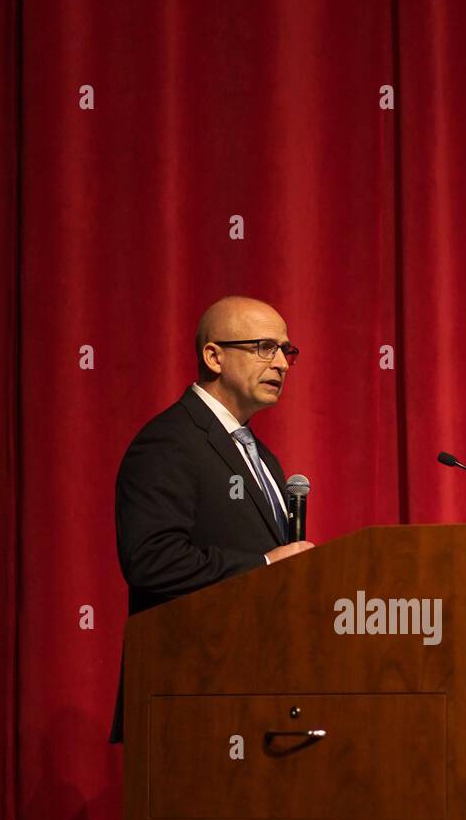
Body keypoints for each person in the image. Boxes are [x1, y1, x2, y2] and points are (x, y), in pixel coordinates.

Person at [109, 295, 313, 743]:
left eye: (286, 350)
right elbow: (151, 560)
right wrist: (264, 565)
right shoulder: (169, 442)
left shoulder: (263, 457)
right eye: (264, 347)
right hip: (189, 700)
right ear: (214, 356)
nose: (281, 363)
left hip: (256, 696)